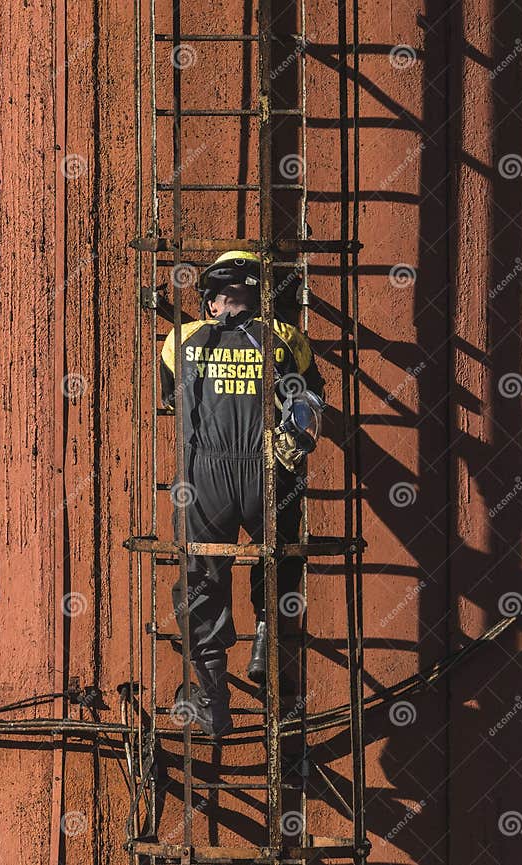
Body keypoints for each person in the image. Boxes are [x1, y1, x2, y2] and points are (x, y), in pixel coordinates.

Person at [159, 251, 326, 736]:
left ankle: (212, 696)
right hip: (268, 472)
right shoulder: (286, 338)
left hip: (204, 478)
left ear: (211, 299)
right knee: (280, 557)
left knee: (201, 572)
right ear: (259, 295)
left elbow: (172, 399)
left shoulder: (180, 340)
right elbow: (313, 401)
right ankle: (265, 639)